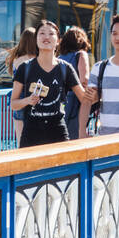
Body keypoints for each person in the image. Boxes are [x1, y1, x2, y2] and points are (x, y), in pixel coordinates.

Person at [11, 19, 95, 147]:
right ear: (36, 39)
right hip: (31, 132)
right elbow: (13, 104)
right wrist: (27, 100)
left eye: (51, 34)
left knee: (62, 167)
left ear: (58, 41)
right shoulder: (25, 68)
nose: (46, 37)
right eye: (42, 33)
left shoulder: (65, 68)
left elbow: (84, 98)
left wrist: (96, 95)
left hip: (58, 131)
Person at [6, 27, 38, 145]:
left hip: (19, 101)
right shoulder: (36, 59)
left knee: (21, 141)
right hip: (33, 100)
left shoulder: (17, 59)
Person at [58, 26, 91, 139]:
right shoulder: (81, 55)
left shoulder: (59, 58)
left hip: (60, 102)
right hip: (75, 103)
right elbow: (84, 80)